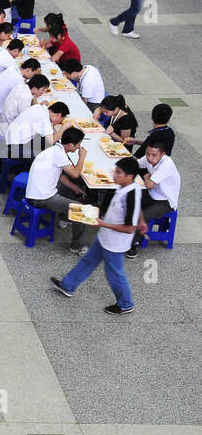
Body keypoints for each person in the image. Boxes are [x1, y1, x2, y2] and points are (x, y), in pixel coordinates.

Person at [50, 157, 142, 315]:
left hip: (115, 243)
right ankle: (68, 285)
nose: (115, 175)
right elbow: (135, 212)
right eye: (115, 171)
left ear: (130, 176)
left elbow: (129, 228)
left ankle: (126, 304)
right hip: (105, 237)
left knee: (114, 273)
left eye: (119, 173)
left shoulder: (131, 194)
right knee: (87, 261)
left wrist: (102, 224)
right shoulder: (125, 186)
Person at [26, 127, 91, 255]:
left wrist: (75, 188)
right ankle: (77, 246)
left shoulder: (55, 150)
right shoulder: (59, 155)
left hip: (37, 191)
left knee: (72, 186)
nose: (79, 147)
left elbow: (60, 176)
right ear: (71, 145)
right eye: (78, 144)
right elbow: (75, 174)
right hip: (42, 198)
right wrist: (82, 157)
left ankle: (64, 219)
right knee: (80, 209)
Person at [128, 138, 179, 258]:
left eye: (154, 155)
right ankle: (126, 230)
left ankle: (134, 243)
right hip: (152, 193)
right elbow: (136, 164)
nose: (150, 158)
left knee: (144, 214)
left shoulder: (167, 164)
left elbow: (149, 184)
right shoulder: (148, 158)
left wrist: (146, 177)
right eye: (148, 154)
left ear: (162, 154)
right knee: (130, 199)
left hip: (165, 200)